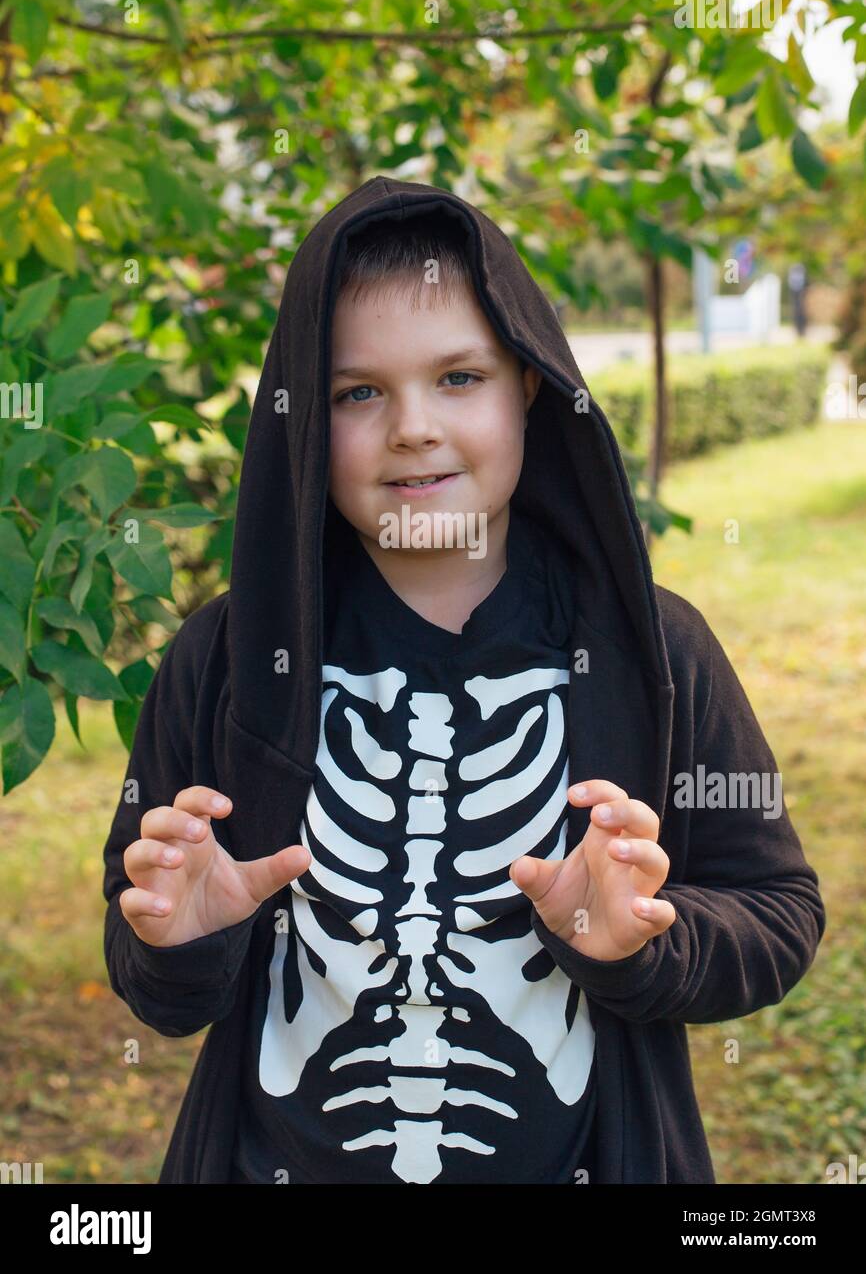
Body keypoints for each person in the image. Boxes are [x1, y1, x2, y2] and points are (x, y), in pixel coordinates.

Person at [102, 176, 825, 1185]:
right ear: (304, 418)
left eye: (458, 377)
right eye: (359, 392)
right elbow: (152, 974)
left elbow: (778, 909)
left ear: (527, 381)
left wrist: (645, 941)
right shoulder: (224, 661)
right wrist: (184, 943)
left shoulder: (649, 649)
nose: (412, 428)